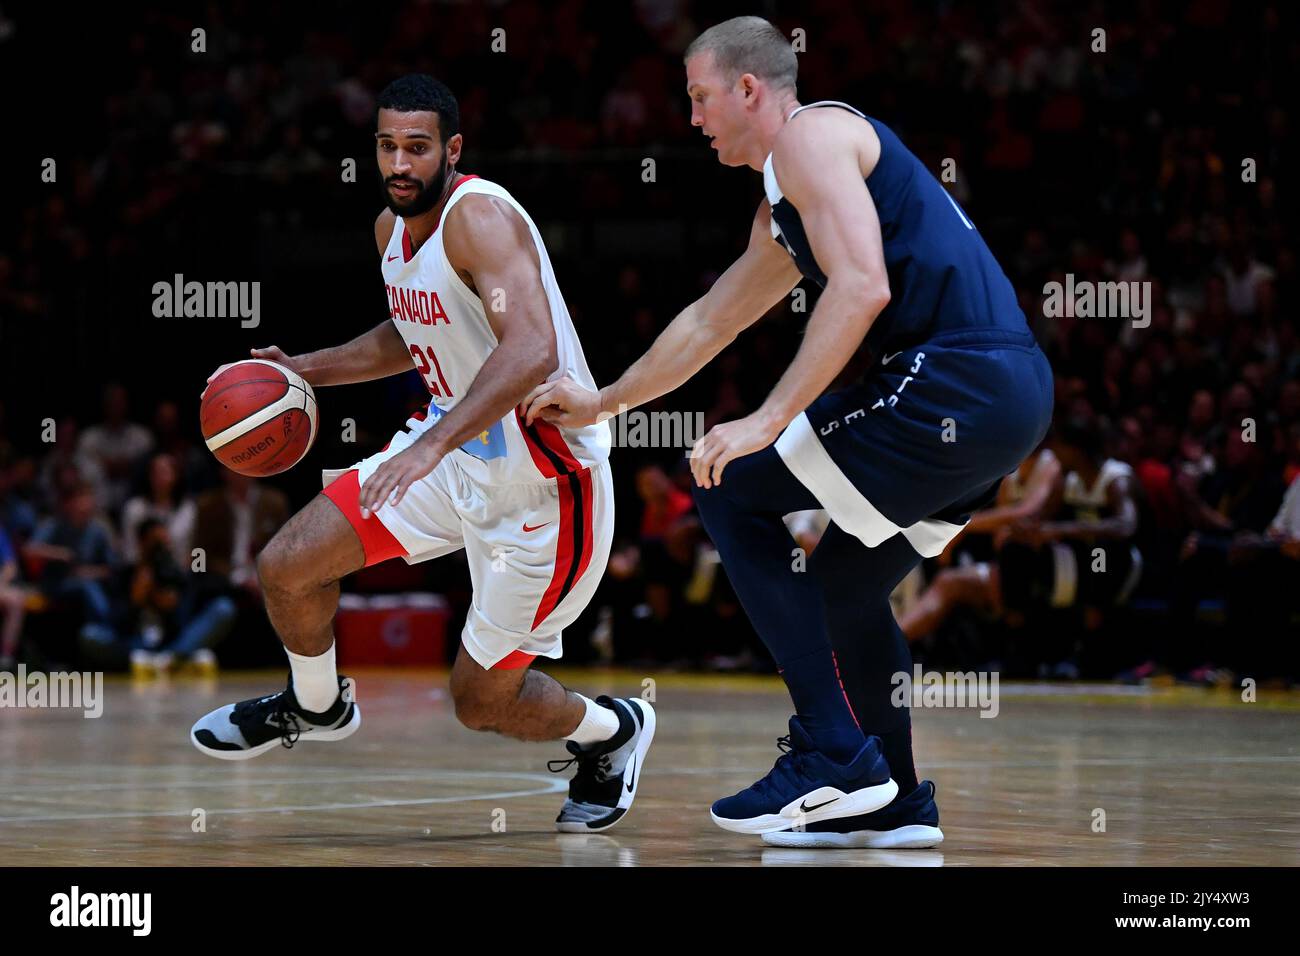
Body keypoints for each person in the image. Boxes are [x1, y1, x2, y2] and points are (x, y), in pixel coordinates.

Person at [525, 16, 1053, 845]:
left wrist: (769, 419)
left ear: (748, 88)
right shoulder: (786, 197)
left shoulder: (811, 137)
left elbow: (863, 287)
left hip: (958, 377)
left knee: (731, 484)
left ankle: (833, 754)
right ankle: (895, 798)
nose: (693, 119)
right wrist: (603, 402)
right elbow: (708, 323)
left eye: (700, 97)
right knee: (845, 584)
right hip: (1006, 398)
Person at [191, 75, 654, 834]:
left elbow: (533, 347)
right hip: (449, 458)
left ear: (452, 149)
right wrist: (301, 370)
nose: (400, 163)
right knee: (287, 566)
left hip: (542, 490)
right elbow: (409, 334)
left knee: (480, 703)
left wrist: (433, 443)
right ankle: (314, 702)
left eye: (417, 147)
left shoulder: (481, 217)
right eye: (387, 146)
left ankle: (612, 731)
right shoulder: (390, 232)